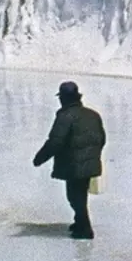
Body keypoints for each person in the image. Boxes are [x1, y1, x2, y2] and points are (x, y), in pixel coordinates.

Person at [33, 81, 106, 239]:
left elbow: (56, 141)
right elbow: (102, 138)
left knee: (75, 197)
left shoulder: (65, 116)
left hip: (74, 164)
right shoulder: (93, 114)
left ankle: (85, 229)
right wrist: (93, 155)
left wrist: (40, 158)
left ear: (64, 98)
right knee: (79, 195)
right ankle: (79, 222)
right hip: (89, 162)